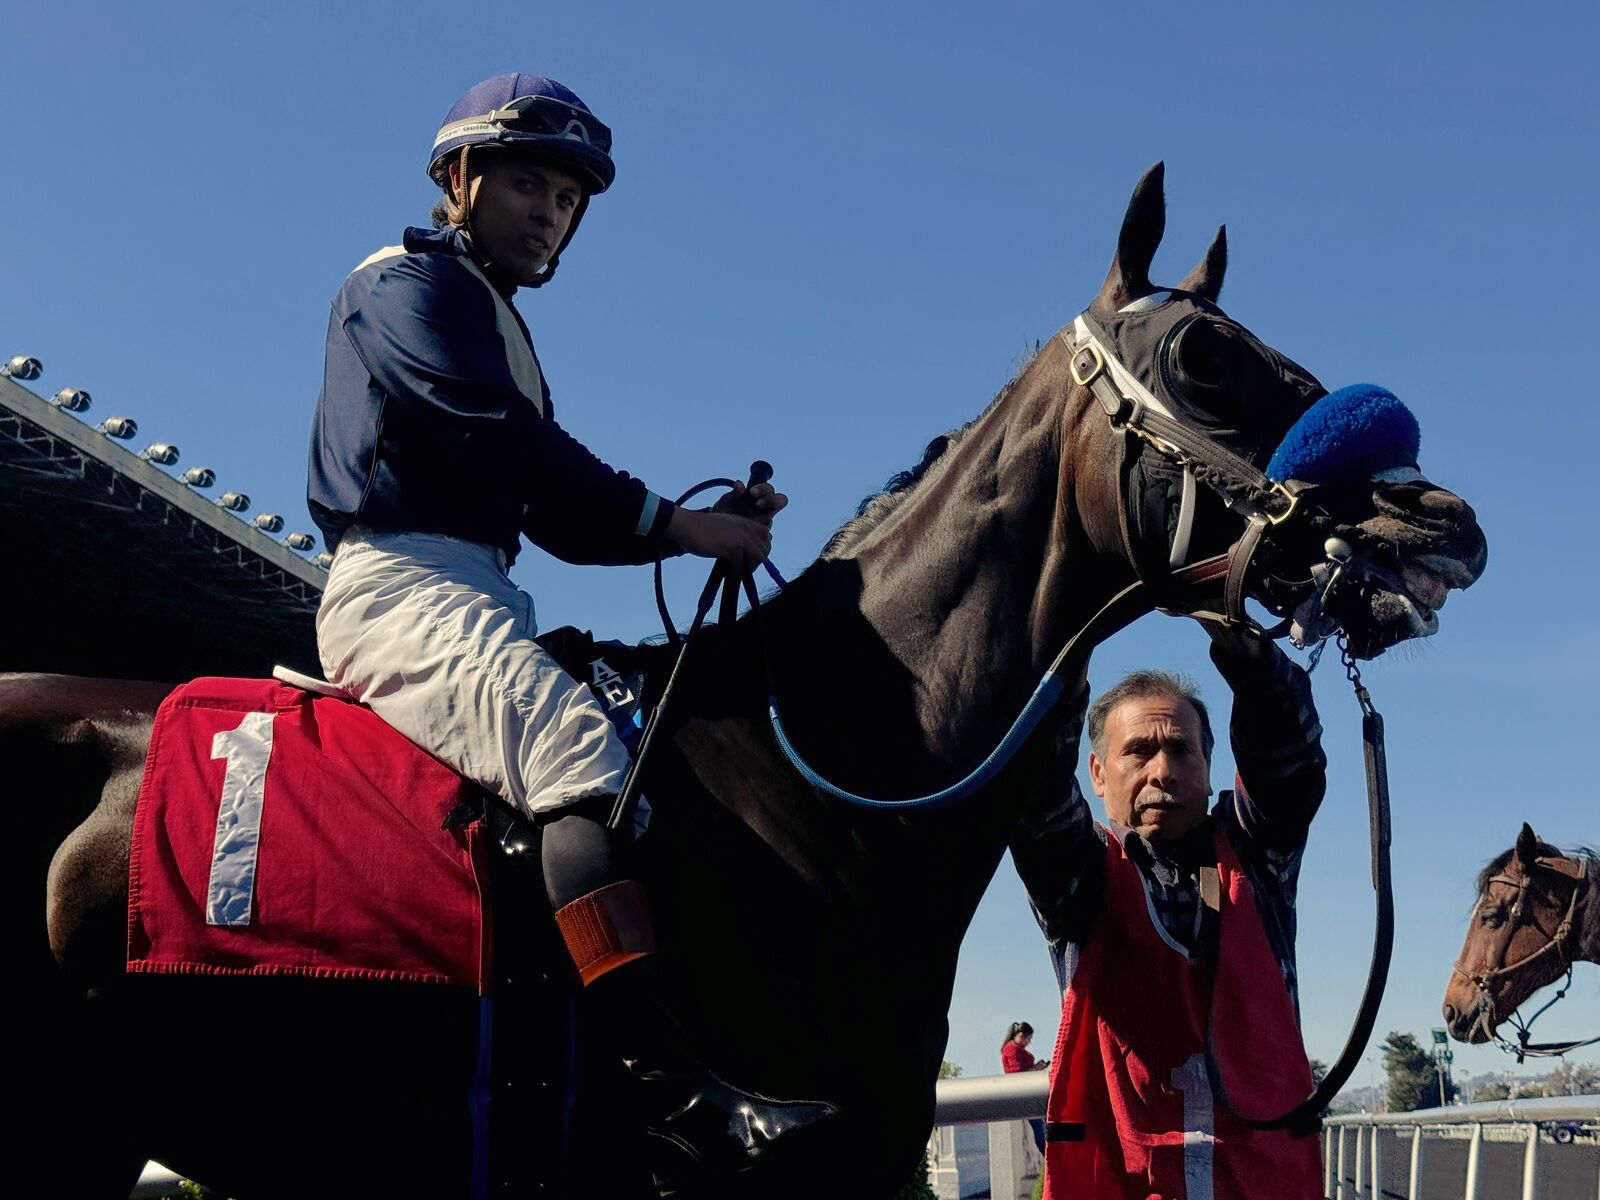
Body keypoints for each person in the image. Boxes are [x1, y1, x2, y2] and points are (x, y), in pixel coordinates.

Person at [305, 72, 831, 1188]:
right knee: (579, 756)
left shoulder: (496, 316)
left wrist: (690, 531)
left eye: (566, 199)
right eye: (527, 184)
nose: (548, 212)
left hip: (477, 586)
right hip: (399, 586)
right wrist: (677, 522)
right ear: (459, 181)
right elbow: (496, 436)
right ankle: (671, 1092)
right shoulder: (403, 281)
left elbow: (557, 518)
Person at [1009, 622, 1327, 1199]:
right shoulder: (1080, 880)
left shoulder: (1256, 863)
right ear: (1098, 775)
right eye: (1138, 751)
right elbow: (1032, 787)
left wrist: (1247, 649)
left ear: (1208, 772)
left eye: (1181, 750)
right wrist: (1071, 632)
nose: (1162, 770)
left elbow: (1290, 768)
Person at [1001, 1021, 1049, 1154]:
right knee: (1039, 1126)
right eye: (1028, 1039)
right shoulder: (1011, 1050)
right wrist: (1035, 1069)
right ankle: (1046, 1150)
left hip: (1029, 1090)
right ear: (1021, 1036)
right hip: (1025, 1091)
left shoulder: (1016, 1050)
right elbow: (1016, 1074)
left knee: (1042, 1124)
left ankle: (1048, 1148)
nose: (1029, 1042)